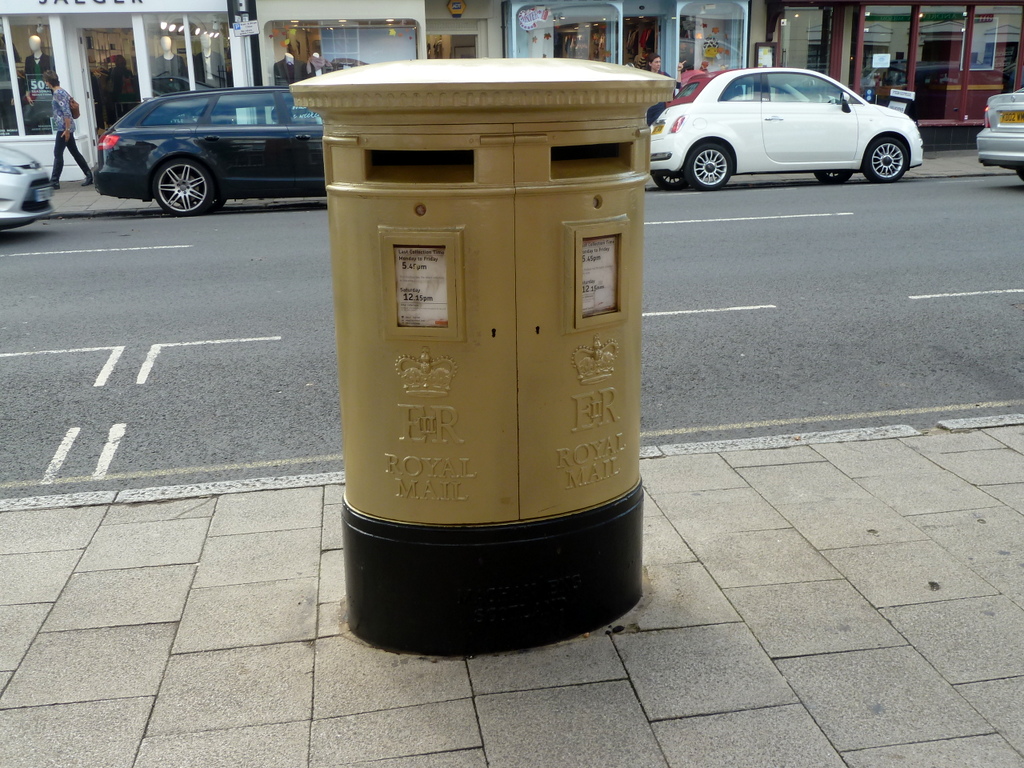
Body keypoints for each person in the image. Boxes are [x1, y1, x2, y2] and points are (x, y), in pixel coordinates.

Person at [42, 70, 92, 189]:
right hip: (65, 127)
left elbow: (66, 113)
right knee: (74, 152)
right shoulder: (62, 91)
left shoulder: (58, 93)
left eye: (45, 81)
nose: (45, 83)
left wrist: (67, 130)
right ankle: (89, 175)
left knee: (58, 153)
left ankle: (54, 181)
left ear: (49, 82)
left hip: (63, 128)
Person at [645, 55, 680, 125]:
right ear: (650, 63)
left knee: (657, 127)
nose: (658, 64)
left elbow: (678, 85)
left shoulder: (663, 75)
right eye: (656, 62)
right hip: (647, 106)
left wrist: (679, 71)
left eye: (659, 62)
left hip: (660, 105)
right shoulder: (645, 75)